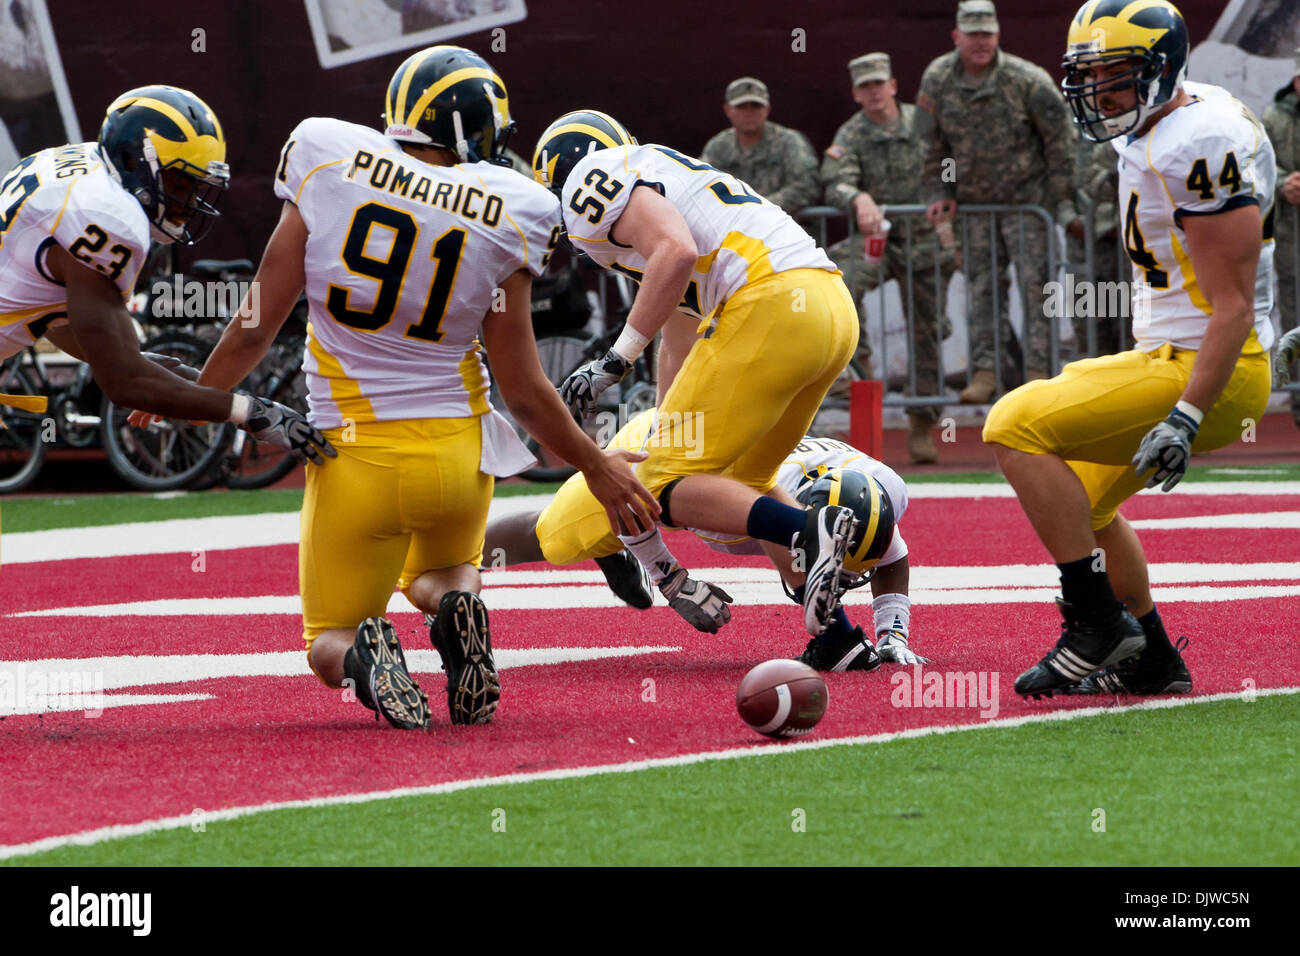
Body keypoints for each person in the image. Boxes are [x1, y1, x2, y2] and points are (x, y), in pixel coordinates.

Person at [192, 47, 659, 730]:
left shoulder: (327, 156)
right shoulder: (511, 208)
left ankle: (368, 655)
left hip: (356, 454)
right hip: (458, 454)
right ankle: (455, 608)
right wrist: (595, 466)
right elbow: (524, 387)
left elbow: (254, 328)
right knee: (444, 572)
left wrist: (196, 397)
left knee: (327, 639)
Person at [985, 0, 1275, 699]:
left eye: (1113, 74)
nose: (1098, 91)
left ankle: (1096, 625)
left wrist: (1186, 417)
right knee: (1081, 508)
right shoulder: (1172, 122)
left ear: (1162, 68)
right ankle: (1152, 657)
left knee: (1011, 424)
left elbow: (1232, 303)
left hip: (1206, 368)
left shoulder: (1198, 139)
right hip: (1173, 353)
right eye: (1088, 75)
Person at [532, 110, 861, 639]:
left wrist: (614, 360)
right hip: (828, 310)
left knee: (659, 484)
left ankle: (811, 529)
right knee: (746, 482)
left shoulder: (591, 179)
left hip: (770, 305)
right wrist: (668, 428)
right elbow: (680, 333)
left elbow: (676, 251)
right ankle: (839, 636)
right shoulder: (670, 183)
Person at [0, 85, 330, 458]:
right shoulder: (105, 218)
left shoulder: (78, 169)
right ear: (132, 162)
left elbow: (52, 317)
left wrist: (153, 372)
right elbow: (125, 384)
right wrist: (249, 412)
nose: (188, 202)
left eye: (197, 185)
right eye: (180, 182)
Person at [484, 408, 926, 669]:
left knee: (808, 566)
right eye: (829, 565)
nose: (835, 581)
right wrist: (672, 579)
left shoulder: (882, 487)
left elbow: (890, 550)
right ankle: (456, 564)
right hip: (650, 453)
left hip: (716, 443)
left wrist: (893, 634)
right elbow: (632, 499)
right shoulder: (741, 510)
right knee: (550, 536)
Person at [919, 0, 1082, 401]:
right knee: (982, 290)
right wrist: (940, 189)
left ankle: (1038, 371)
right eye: (972, 34)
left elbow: (1061, 143)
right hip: (975, 209)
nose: (980, 42)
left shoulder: (1028, 80)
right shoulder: (937, 79)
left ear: (997, 35)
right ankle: (985, 372)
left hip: (1027, 205)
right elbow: (931, 143)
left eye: (987, 34)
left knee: (1036, 287)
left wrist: (1061, 200)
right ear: (956, 36)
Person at [822, 52, 956, 463]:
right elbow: (834, 180)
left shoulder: (923, 123)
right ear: (855, 93)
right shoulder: (852, 133)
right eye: (865, 86)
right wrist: (857, 197)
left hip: (925, 240)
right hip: (876, 239)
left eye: (879, 83)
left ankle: (921, 426)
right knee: (837, 284)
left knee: (927, 330)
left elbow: (951, 164)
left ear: (893, 86)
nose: (874, 92)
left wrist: (946, 195)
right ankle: (855, 373)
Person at [699, 77, 820, 216]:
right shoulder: (718, 147)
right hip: (733, 224)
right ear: (727, 110)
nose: (749, 113)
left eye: (756, 106)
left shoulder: (790, 142)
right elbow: (703, 187)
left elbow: (807, 186)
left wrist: (759, 207)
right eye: (741, 106)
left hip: (781, 223)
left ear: (767, 109)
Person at [1263, 49, 1300, 420]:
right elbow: (1259, 167)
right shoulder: (1273, 118)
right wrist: (1284, 183)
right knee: (1295, 312)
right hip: (1291, 237)